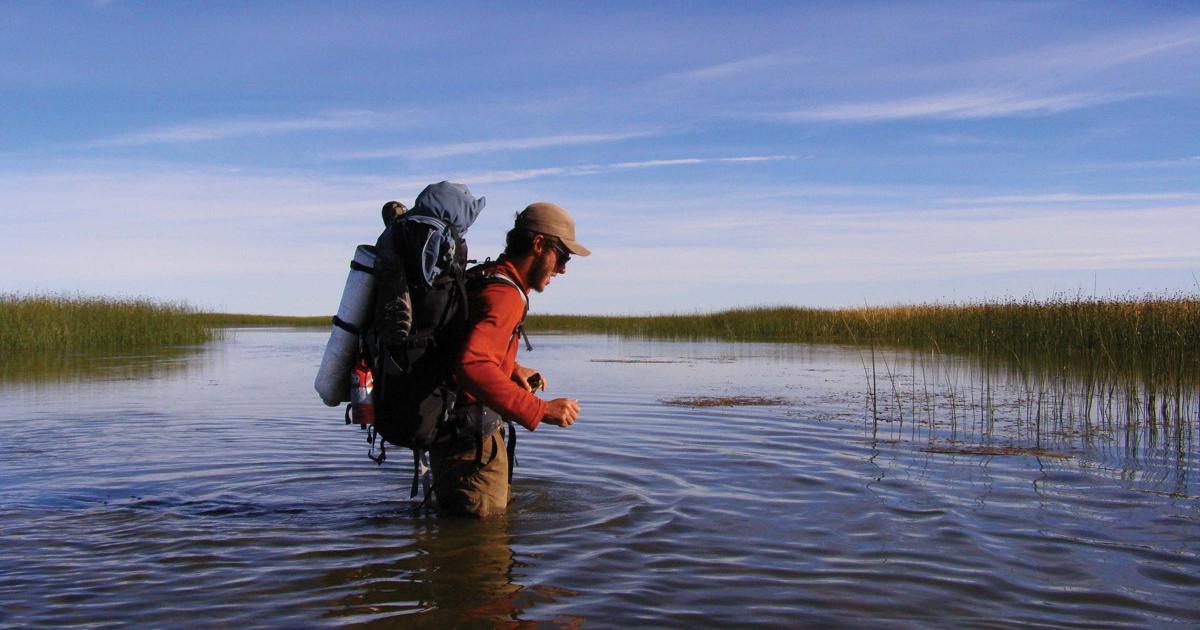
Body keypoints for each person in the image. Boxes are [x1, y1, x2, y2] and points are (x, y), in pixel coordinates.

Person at [430, 202, 590, 517]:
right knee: (481, 543)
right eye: (562, 257)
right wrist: (541, 409)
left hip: (454, 434)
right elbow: (473, 365)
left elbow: (462, 348)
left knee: (463, 534)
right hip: (471, 445)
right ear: (539, 244)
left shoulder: (484, 276)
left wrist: (511, 368)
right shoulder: (505, 296)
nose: (563, 269)